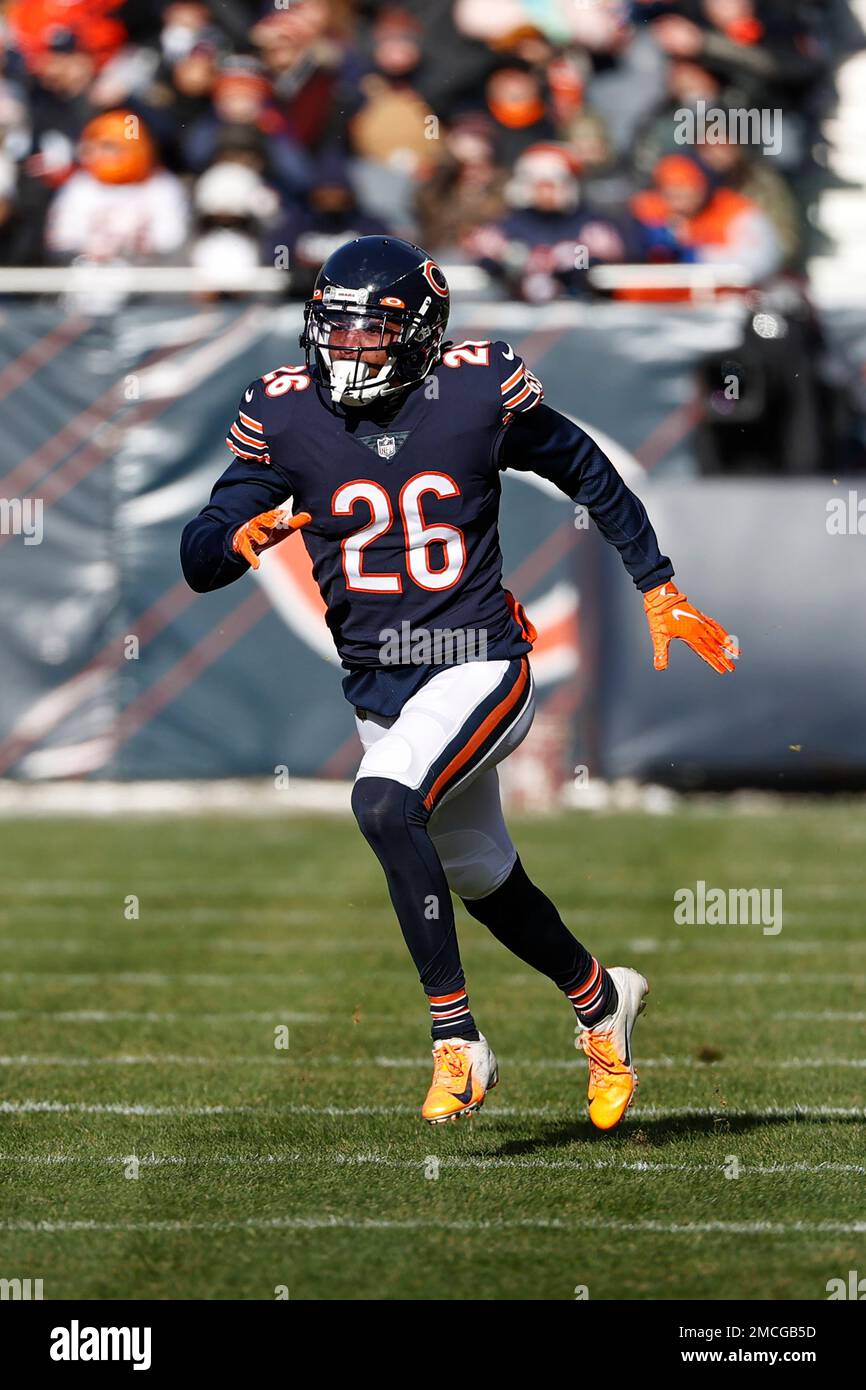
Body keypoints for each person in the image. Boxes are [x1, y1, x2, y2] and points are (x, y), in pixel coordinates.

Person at [180, 235, 738, 1129]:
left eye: (371, 330)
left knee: (381, 800)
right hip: (378, 684)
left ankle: (457, 1041)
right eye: (334, 327)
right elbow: (202, 546)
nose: (346, 347)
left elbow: (586, 467)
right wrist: (230, 541)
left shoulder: (475, 391)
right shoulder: (286, 411)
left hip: (476, 659)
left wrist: (657, 580)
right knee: (480, 873)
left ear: (421, 331)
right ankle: (602, 1000)